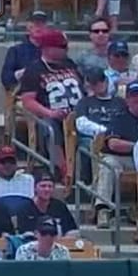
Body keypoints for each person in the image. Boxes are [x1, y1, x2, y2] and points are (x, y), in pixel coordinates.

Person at [18, 27, 83, 177]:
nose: (66, 49)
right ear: (47, 48)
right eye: (62, 46)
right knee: (50, 128)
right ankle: (63, 168)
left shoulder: (70, 64)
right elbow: (28, 101)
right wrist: (51, 113)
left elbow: (83, 87)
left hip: (78, 113)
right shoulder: (34, 70)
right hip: (51, 114)